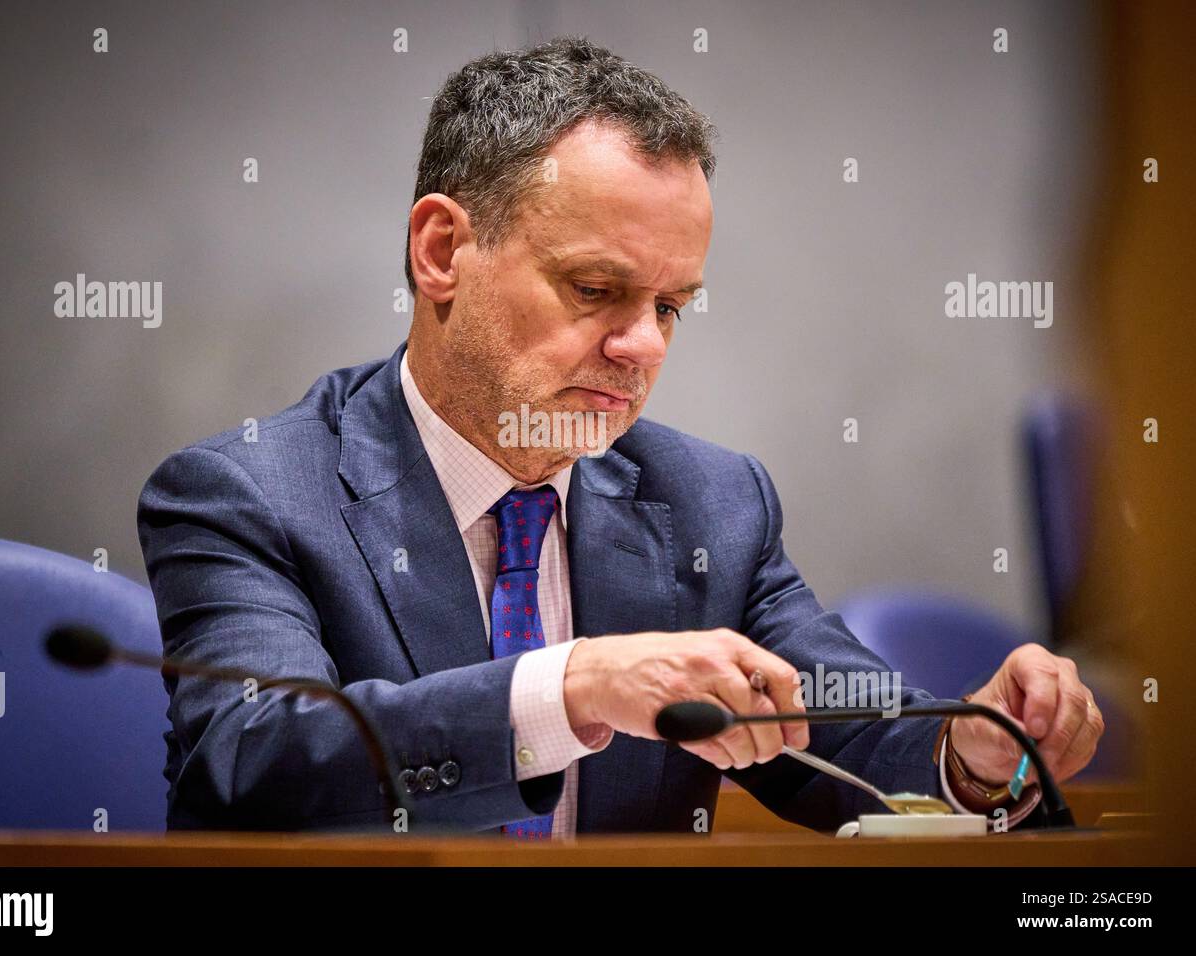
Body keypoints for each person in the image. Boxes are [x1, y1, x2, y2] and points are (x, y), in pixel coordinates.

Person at [137, 36, 1101, 837]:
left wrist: (971, 757)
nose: (641, 345)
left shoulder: (710, 504)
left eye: (673, 306)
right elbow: (252, 769)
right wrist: (571, 686)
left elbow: (843, 736)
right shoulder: (248, 493)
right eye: (596, 290)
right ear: (443, 252)